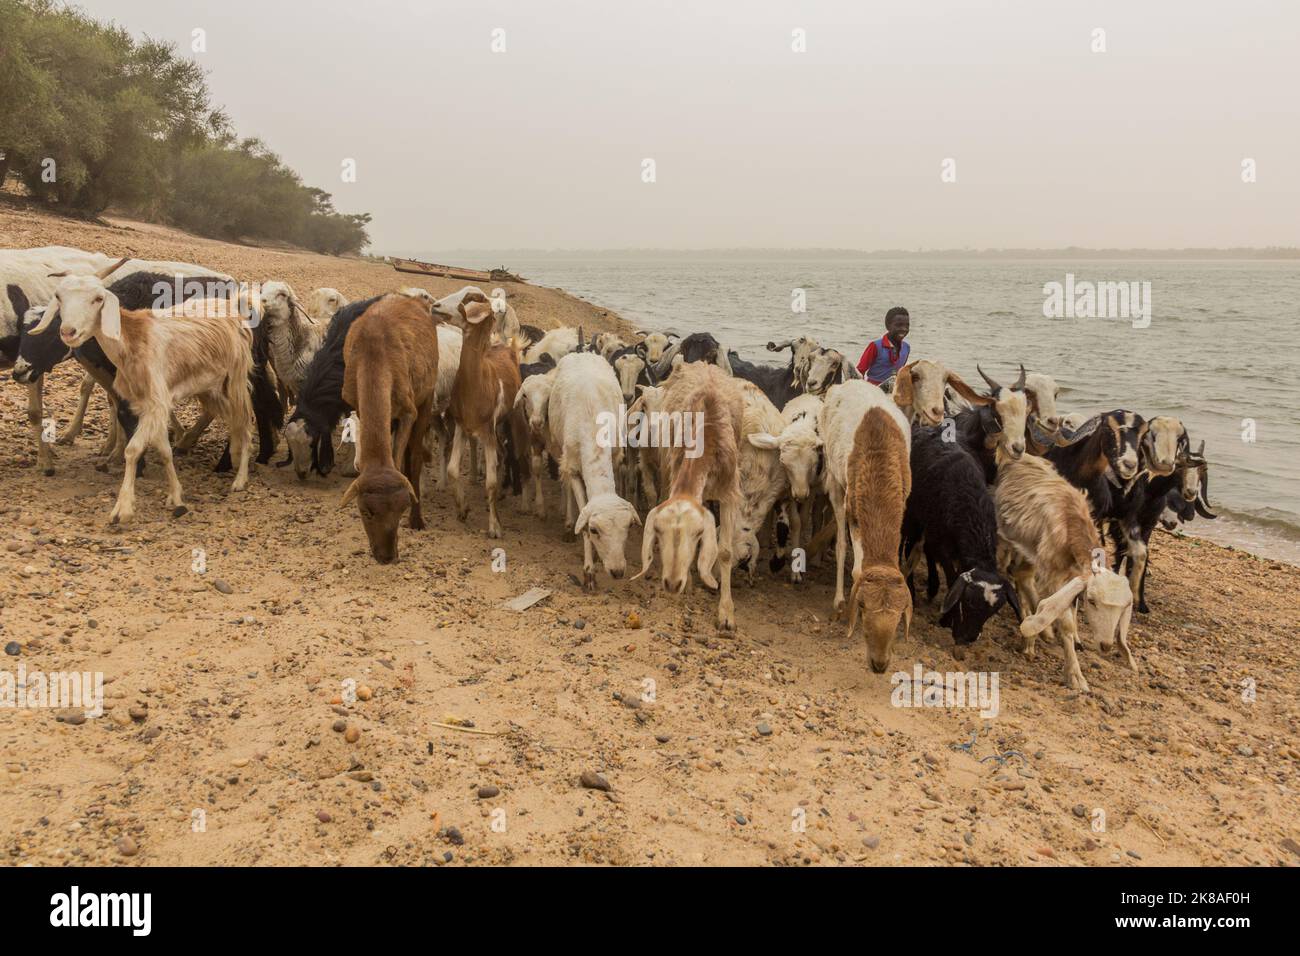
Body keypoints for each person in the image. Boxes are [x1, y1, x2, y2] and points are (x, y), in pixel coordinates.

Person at [856, 306, 911, 386]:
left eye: (907, 326)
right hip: (873, 390)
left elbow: (900, 371)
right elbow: (860, 371)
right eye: (899, 325)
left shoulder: (906, 348)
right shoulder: (875, 346)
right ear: (888, 326)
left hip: (894, 390)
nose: (904, 329)